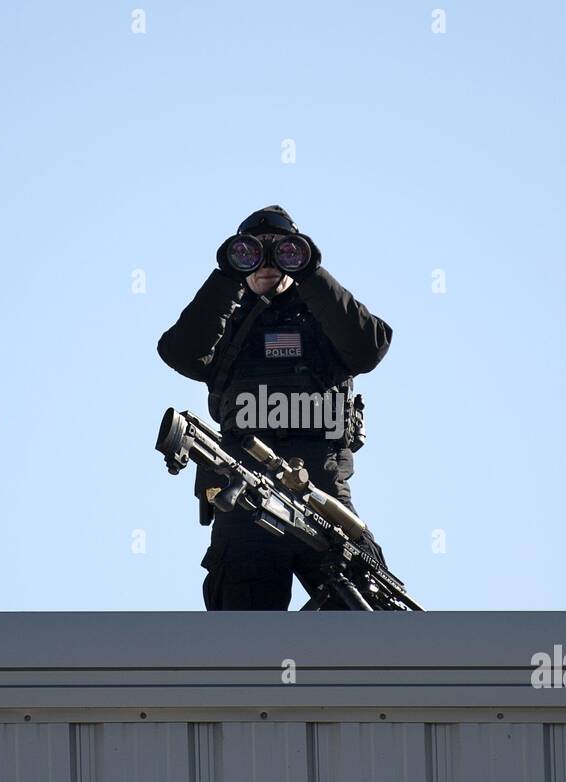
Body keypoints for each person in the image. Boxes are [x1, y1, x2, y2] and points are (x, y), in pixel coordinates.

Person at [157, 205, 393, 610]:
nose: (265, 262)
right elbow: (180, 353)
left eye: (279, 251)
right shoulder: (229, 324)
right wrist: (228, 275)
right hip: (245, 495)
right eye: (252, 252)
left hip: (324, 496)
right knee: (244, 633)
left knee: (369, 604)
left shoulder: (322, 318)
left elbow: (369, 348)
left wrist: (309, 272)